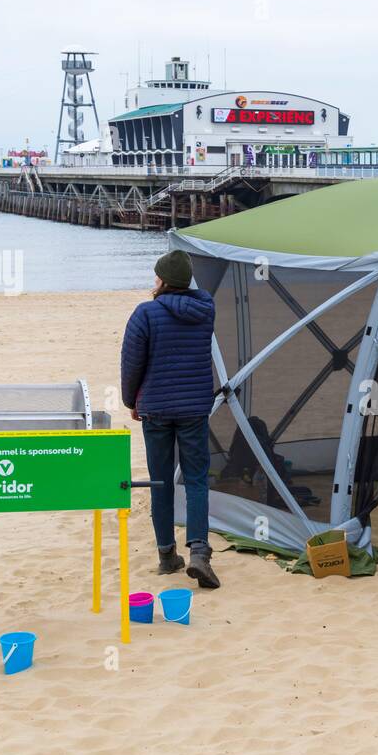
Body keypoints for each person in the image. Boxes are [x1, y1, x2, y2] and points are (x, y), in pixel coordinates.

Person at [121, 250, 220, 588]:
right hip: (194, 408)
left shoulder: (145, 313)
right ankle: (199, 553)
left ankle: (167, 555)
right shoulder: (205, 308)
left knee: (161, 480)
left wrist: (129, 400)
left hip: (157, 409)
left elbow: (132, 362)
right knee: (196, 479)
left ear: (162, 280)